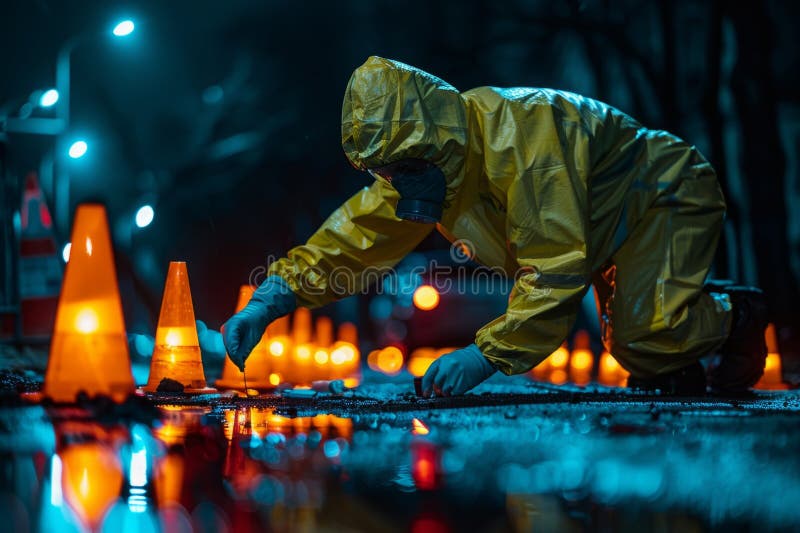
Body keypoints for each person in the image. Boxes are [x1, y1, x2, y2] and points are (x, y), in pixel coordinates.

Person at [222, 56, 768, 397]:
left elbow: (553, 268)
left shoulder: (523, 139)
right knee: (643, 352)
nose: (395, 185)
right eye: (383, 173)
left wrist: (484, 356)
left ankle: (735, 314)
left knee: (642, 335)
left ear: (430, 142)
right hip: (606, 231)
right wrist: (266, 303)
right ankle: (679, 346)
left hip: (664, 196)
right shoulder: (436, 167)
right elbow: (351, 241)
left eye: (401, 170)